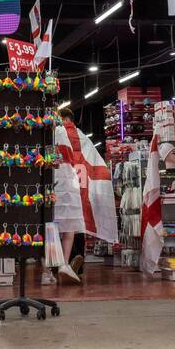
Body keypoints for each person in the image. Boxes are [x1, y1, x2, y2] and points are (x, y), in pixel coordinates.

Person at [53, 106, 117, 285]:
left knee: (56, 225)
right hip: (80, 186)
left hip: (60, 183)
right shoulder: (81, 137)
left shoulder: (57, 133)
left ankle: (55, 264)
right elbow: (95, 162)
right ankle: (77, 265)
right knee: (77, 224)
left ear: (63, 118)